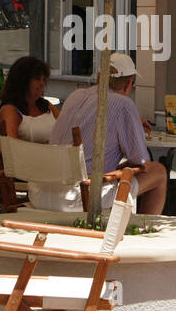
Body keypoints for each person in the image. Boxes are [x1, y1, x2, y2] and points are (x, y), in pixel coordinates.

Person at [46, 53, 166, 214]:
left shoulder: (76, 96)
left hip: (44, 189)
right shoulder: (123, 104)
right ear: (129, 84)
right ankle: (144, 232)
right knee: (157, 171)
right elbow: (141, 162)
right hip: (81, 194)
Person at [0, 56, 58, 143]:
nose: (42, 84)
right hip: (28, 156)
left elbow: (66, 128)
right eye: (37, 79)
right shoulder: (10, 110)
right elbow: (10, 144)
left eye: (44, 79)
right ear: (22, 81)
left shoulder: (46, 105)